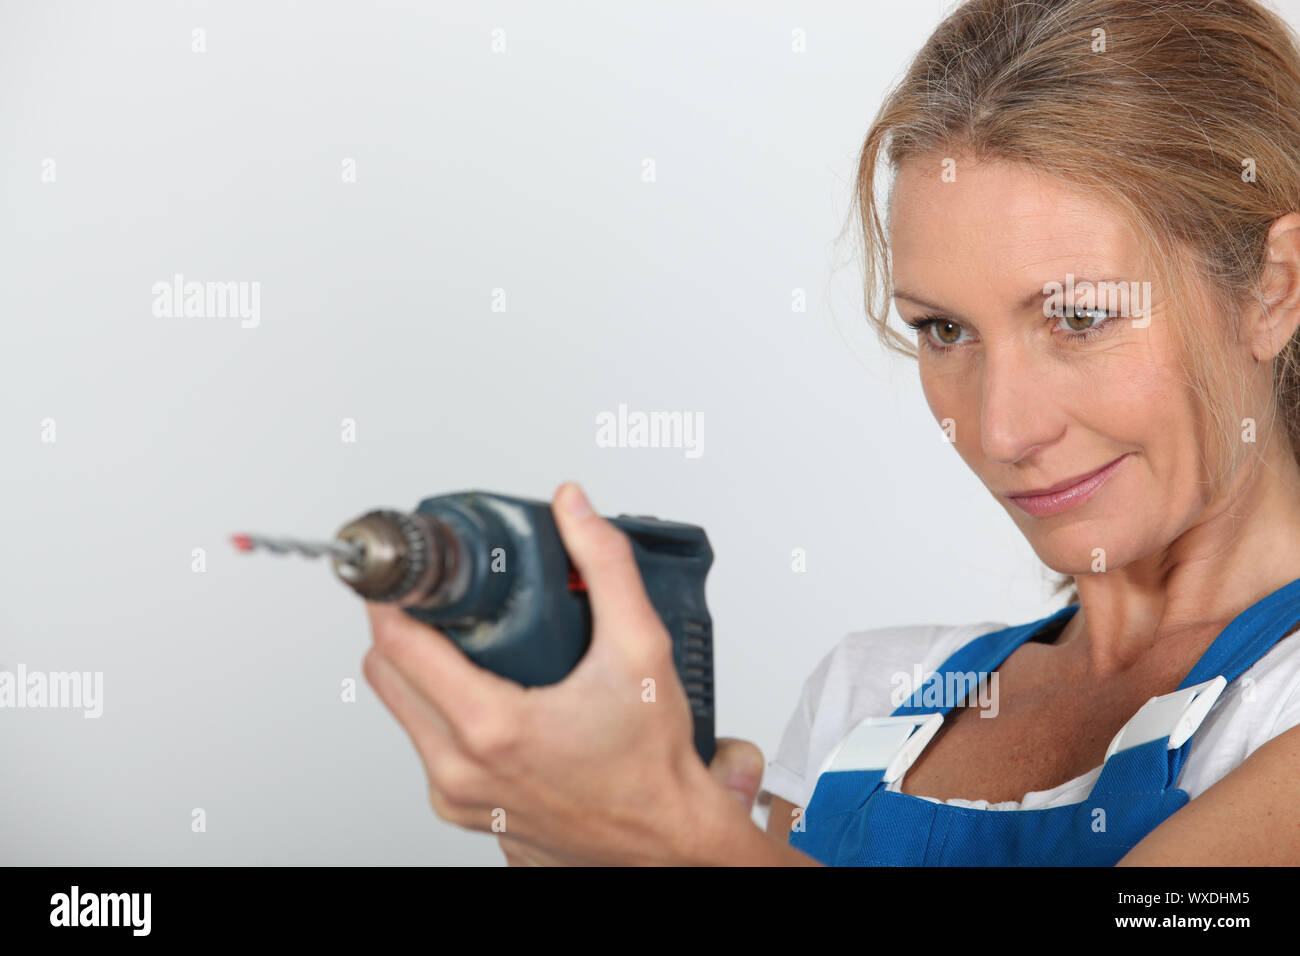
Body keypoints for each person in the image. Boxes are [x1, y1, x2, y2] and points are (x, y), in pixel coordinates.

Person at [362, 0, 1300, 865]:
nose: (1002, 428)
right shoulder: (879, 695)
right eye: (945, 331)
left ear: (1274, 287)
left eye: (1082, 317)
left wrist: (671, 837)